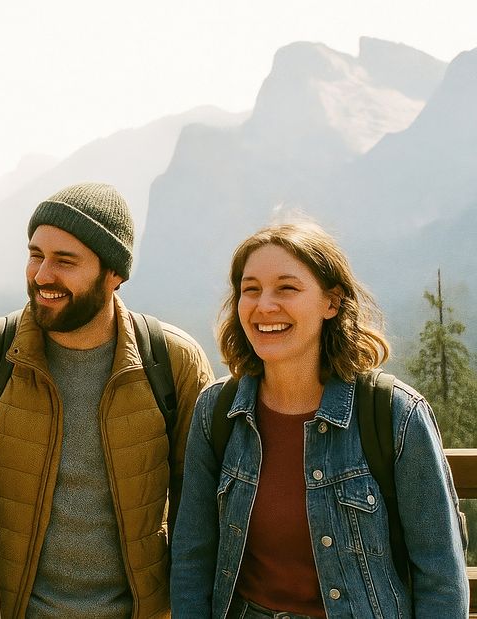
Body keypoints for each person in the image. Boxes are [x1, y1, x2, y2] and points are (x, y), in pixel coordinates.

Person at [171, 222, 469, 618]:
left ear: (331, 302)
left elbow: (440, 574)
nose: (265, 305)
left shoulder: (395, 413)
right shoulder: (217, 411)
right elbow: (192, 558)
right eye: (251, 289)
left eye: (287, 288)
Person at [0, 182, 214, 618]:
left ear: (114, 275)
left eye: (65, 261)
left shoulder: (173, 362)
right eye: (36, 255)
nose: (42, 275)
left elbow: (200, 519)